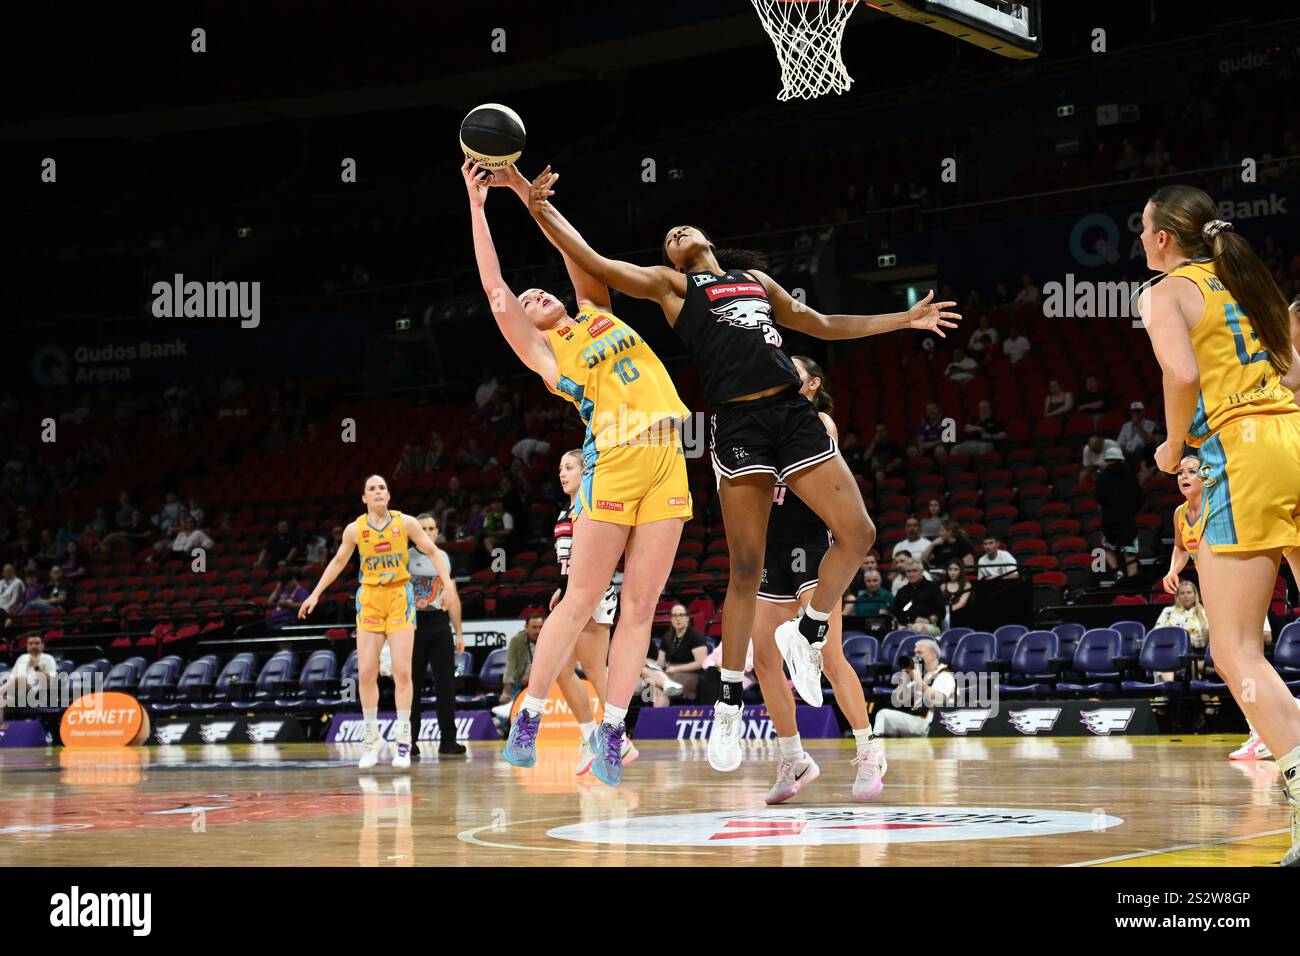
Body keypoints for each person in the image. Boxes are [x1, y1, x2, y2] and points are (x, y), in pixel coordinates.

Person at [512, 162, 958, 774]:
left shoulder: (757, 282)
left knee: (861, 534)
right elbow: (596, 262)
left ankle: (811, 630)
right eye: (667, 237)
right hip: (738, 425)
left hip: (789, 415)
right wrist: (537, 209)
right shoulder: (673, 288)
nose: (675, 237)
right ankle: (727, 707)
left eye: (682, 230)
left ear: (710, 241)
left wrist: (901, 320)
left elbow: (822, 325)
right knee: (745, 568)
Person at [467, 162, 691, 787]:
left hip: (668, 455)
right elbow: (495, 290)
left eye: (541, 292)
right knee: (583, 599)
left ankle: (614, 731)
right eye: (530, 299)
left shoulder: (596, 311)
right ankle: (531, 714)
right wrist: (481, 204)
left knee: (641, 606)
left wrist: (525, 195)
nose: (536, 296)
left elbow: (578, 250)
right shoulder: (545, 353)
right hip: (613, 459)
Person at [1138, 184, 1300, 864]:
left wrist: (1174, 448)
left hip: (1243, 453)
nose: (1141, 240)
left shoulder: (1164, 292)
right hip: (1296, 433)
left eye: (1143, 230)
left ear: (1164, 240)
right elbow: (1292, 372)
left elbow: (1179, 373)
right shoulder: (1245, 275)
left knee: (1235, 650)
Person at [752, 356, 885, 802]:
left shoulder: (818, 419)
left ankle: (869, 750)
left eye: (791, 370)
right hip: (771, 544)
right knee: (766, 659)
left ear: (810, 384)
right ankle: (794, 758)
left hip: (812, 544)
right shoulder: (761, 421)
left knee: (829, 655)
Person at [298, 475, 450, 771]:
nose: (378, 491)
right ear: (364, 498)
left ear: (388, 496)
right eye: (372, 488)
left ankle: (403, 740)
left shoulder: (405, 523)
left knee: (402, 673)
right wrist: (315, 593)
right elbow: (339, 561)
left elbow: (433, 551)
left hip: (399, 597)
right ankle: (372, 738)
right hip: (369, 598)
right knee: (366, 672)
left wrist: (448, 585)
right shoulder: (355, 529)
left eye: (382, 487)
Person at [1161, 453, 1300, 762]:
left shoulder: (1221, 506)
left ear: (1206, 476)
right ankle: (1264, 727)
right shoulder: (1179, 514)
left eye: (1192, 471)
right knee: (1226, 664)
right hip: (1216, 593)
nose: (1184, 476)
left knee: (1244, 658)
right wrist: (1173, 570)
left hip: (1240, 585)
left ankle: (1278, 723)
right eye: (1180, 472)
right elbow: (1181, 546)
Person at [547, 450, 638, 772]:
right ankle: (590, 737)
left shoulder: (593, 508)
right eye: (561, 468)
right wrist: (562, 588)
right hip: (572, 595)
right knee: (559, 670)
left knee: (594, 669)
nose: (563, 473)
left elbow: (603, 556)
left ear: (585, 472)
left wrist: (581, 592)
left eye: (569, 467)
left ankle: (619, 738)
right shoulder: (562, 515)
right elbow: (568, 563)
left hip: (594, 595)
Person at [872, 638, 956, 737]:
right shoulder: (924, 677)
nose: (916, 656)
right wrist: (905, 674)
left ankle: (874, 747)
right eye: (915, 653)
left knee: (883, 715)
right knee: (884, 717)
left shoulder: (945, 675)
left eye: (920, 653)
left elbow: (938, 700)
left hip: (935, 724)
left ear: (933, 655)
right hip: (919, 722)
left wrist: (917, 680)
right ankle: (879, 743)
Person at [645, 605, 707, 705]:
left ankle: (665, 684)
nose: (678, 618)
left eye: (681, 615)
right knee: (655, 688)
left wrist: (676, 669)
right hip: (669, 674)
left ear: (687, 618)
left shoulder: (695, 636)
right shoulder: (668, 636)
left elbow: (700, 663)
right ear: (671, 619)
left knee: (655, 685)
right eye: (674, 615)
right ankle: (661, 719)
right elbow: (661, 663)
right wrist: (650, 664)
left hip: (690, 676)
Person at [1096, 446, 1143, 579]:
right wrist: (1132, 511)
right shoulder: (1131, 476)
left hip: (1109, 520)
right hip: (1128, 520)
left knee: (1107, 547)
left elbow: (1098, 497)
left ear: (1107, 460)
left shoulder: (1102, 477)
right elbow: (1140, 498)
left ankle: (1118, 572)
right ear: (1121, 460)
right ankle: (1132, 579)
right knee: (1130, 551)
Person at [0, 634, 57, 720]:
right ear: (27, 646)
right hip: (16, 696)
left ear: (42, 645)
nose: (33, 646)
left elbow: (52, 682)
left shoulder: (48, 659)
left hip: (35, 696)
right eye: (30, 643)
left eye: (37, 643)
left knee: (21, 679)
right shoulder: (22, 658)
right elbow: (12, 679)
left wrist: (37, 667)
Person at [890, 560, 945, 636]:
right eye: (908, 571)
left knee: (918, 628)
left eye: (914, 571)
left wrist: (927, 620)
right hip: (906, 626)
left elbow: (941, 612)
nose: (911, 574)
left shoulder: (933, 587)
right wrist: (900, 625)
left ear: (922, 572)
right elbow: (895, 614)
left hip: (930, 626)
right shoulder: (902, 591)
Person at [938, 560, 973, 628]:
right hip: (945, 613)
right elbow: (939, 603)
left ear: (961, 571)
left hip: (960, 613)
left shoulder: (966, 585)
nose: (952, 572)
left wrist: (948, 610)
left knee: (947, 617)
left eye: (956, 569)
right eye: (950, 569)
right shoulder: (943, 586)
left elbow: (961, 604)